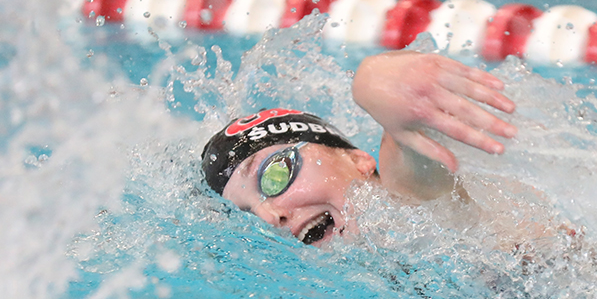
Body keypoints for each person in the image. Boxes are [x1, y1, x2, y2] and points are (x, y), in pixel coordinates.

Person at [201, 51, 518, 246]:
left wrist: (373, 81)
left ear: (358, 159)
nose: (269, 218)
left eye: (274, 176)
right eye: (248, 216)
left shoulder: (412, 209)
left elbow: (408, 147)